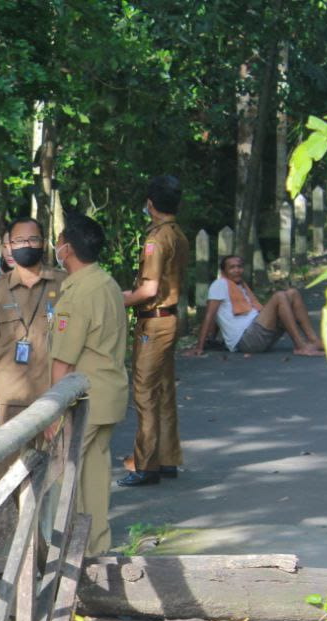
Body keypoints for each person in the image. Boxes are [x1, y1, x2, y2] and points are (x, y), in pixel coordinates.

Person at [48, 213, 128, 558]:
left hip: (85, 398)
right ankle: (96, 549)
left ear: (66, 249)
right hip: (110, 392)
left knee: (63, 477)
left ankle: (62, 553)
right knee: (94, 475)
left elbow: (63, 362)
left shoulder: (77, 295)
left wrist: (52, 414)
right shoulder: (107, 283)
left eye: (59, 241)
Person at [118, 175, 189, 487]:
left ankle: (145, 464)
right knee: (163, 390)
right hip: (170, 318)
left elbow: (148, 289)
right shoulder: (178, 235)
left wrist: (119, 298)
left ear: (150, 204)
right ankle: (167, 457)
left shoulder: (155, 240)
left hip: (154, 320)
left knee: (145, 392)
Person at [0, 217, 67, 427]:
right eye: (19, 240)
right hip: (9, 397)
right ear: (9, 246)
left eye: (33, 239)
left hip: (53, 395)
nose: (26, 245)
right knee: (7, 460)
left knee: (55, 458)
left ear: (43, 243)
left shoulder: (64, 284)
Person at [190, 255, 323, 357]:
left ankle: (313, 340)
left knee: (293, 293)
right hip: (246, 340)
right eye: (232, 267)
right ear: (224, 271)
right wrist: (199, 347)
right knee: (279, 296)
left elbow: (223, 317)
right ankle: (300, 346)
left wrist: (213, 337)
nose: (237, 270)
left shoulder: (240, 285)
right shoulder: (219, 284)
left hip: (257, 332)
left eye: (239, 266)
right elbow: (210, 315)